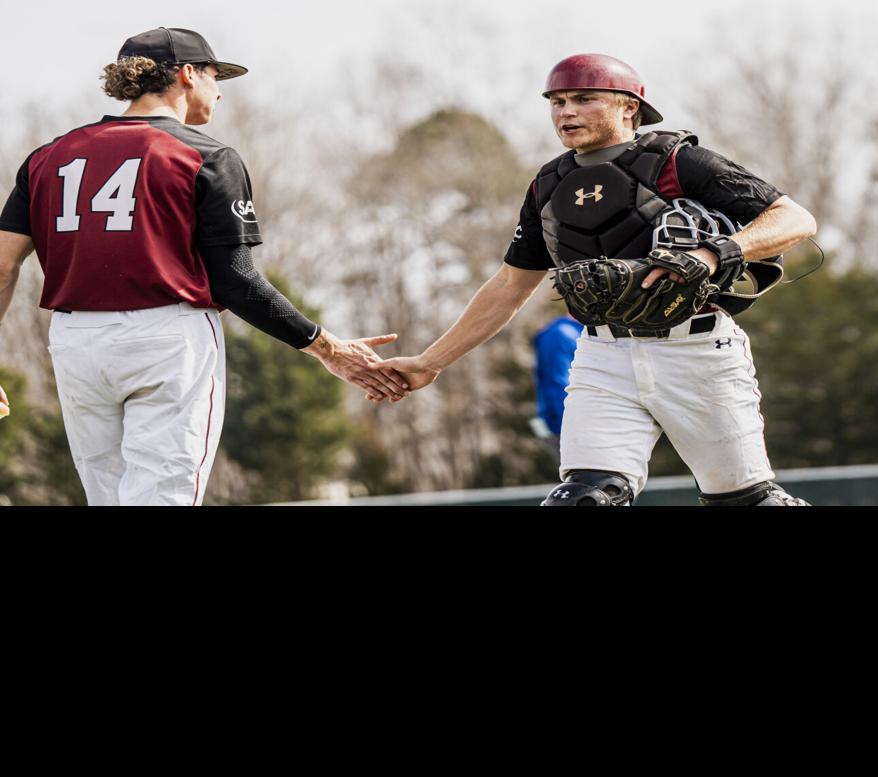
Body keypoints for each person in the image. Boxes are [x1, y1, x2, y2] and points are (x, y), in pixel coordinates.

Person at [371, 53, 818, 507]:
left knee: (746, 502)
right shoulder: (549, 184)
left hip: (697, 351)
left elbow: (793, 219)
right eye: (557, 101)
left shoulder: (679, 162)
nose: (567, 112)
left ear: (629, 106)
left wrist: (713, 253)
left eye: (585, 99)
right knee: (582, 499)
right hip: (604, 357)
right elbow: (510, 286)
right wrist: (430, 362)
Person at [0, 26, 406, 505]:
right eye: (216, 77)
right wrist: (327, 348)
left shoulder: (48, 156)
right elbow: (236, 280)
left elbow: (4, 267)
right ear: (188, 74)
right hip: (166, 338)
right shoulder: (206, 154)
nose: (219, 92)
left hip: (76, 342)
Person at [530, 312, 583, 455]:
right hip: (565, 426)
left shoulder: (575, 332)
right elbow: (558, 384)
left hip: (578, 424)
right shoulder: (560, 334)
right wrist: (572, 427)